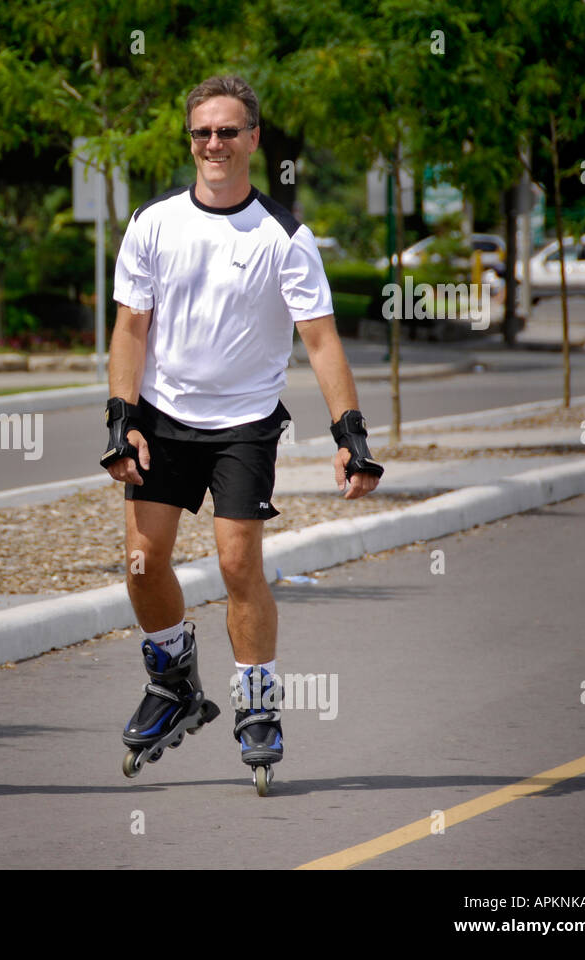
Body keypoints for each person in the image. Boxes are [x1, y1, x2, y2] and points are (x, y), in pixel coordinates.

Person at [103, 76, 382, 796]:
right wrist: (121, 417)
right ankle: (173, 684)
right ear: (190, 139)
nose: (214, 143)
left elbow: (320, 340)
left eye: (228, 131)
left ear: (254, 139)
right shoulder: (153, 222)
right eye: (202, 132)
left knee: (236, 564)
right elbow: (130, 327)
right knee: (142, 561)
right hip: (163, 417)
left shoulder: (285, 236)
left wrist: (350, 433)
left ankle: (256, 702)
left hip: (245, 426)